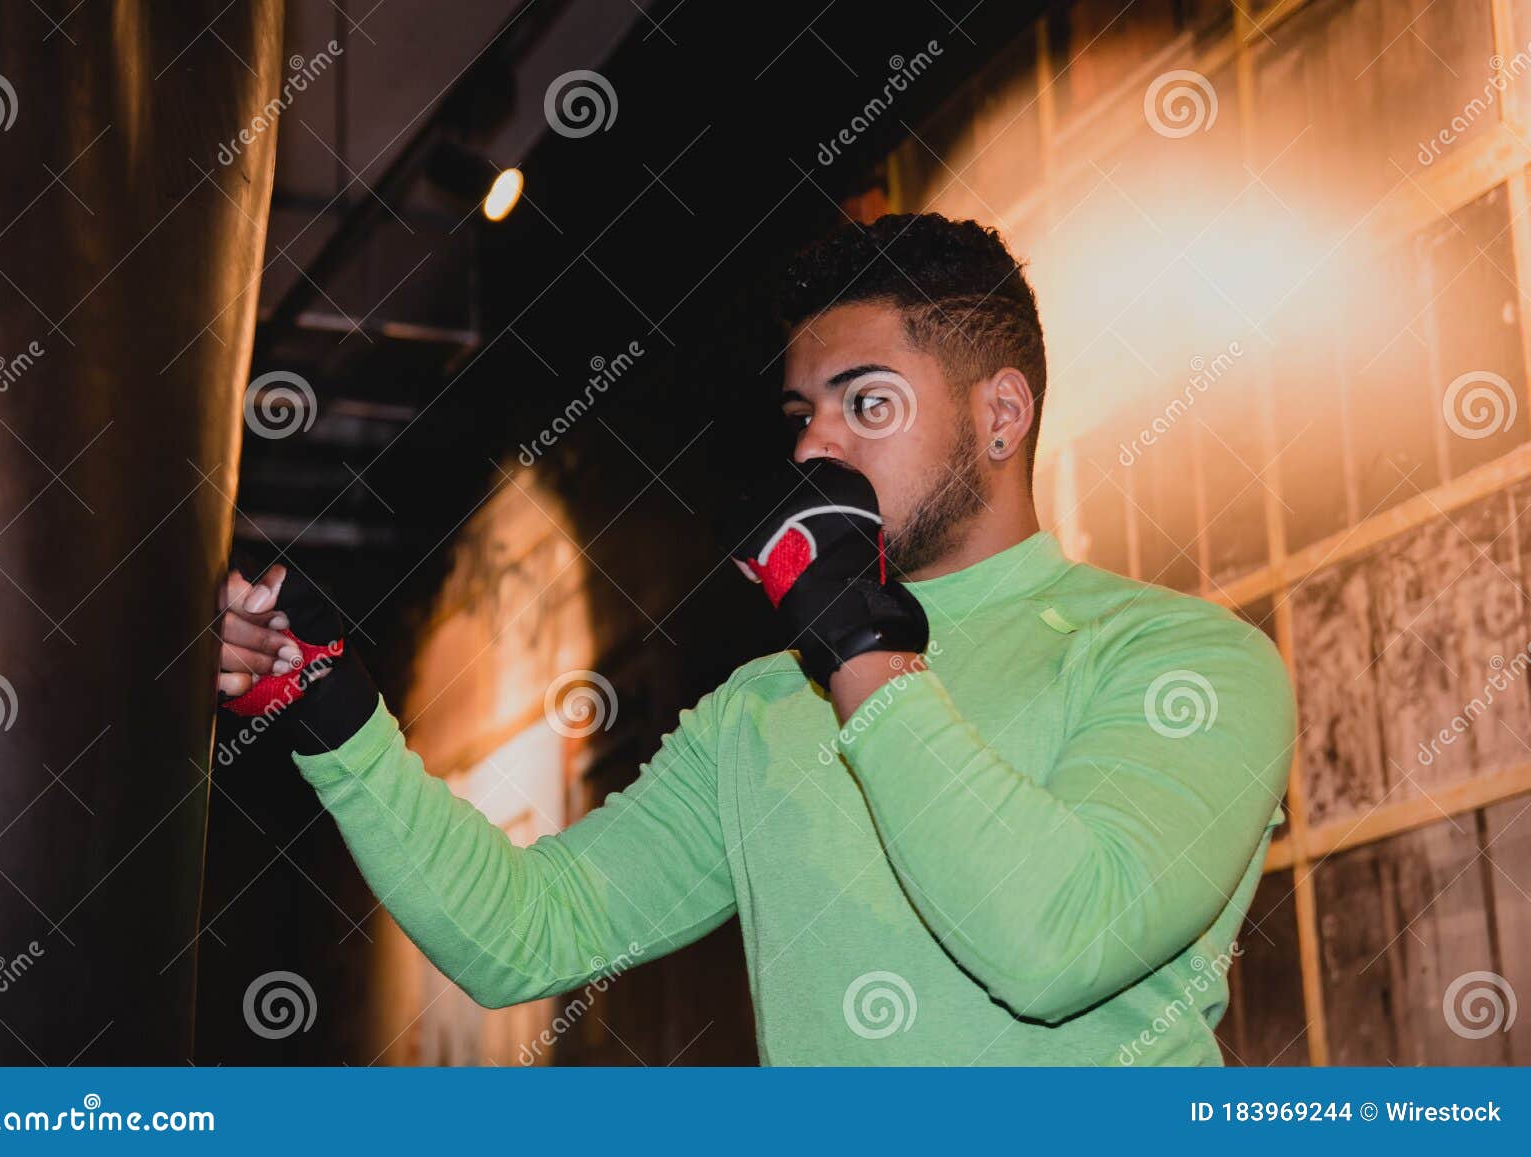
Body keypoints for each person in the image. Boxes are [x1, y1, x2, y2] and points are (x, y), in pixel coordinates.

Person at [217, 213, 1296, 1065]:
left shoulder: (1180, 660)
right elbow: (524, 932)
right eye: (801, 415)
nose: (817, 442)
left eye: (864, 403)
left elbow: (1056, 943)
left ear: (999, 414)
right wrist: (336, 712)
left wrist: (854, 637)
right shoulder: (765, 705)